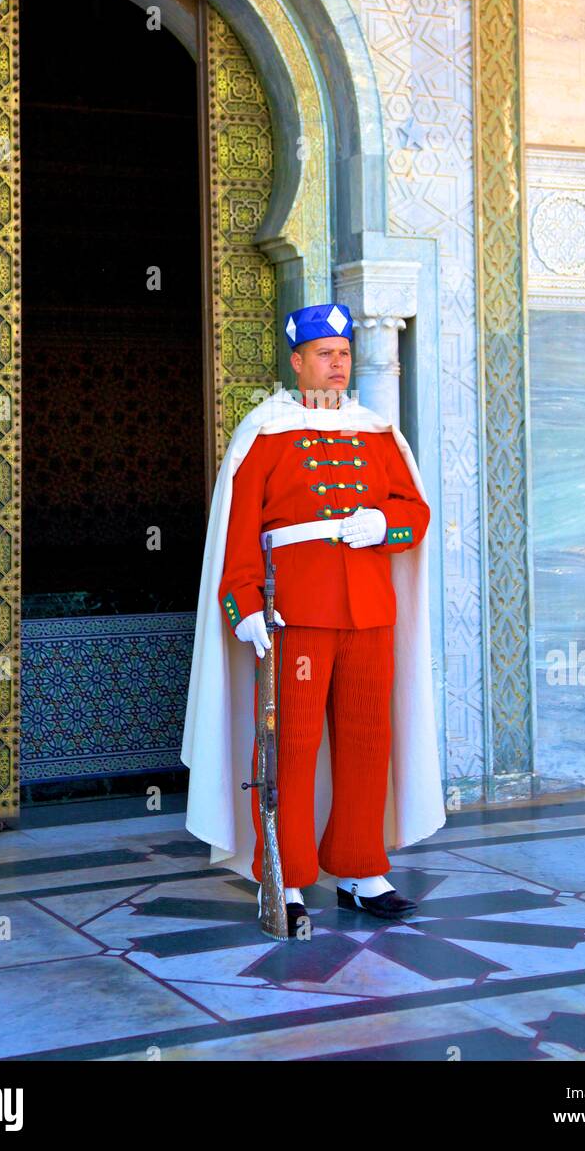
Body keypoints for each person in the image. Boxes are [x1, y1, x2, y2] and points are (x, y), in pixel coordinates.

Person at [181, 301, 445, 938]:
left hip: (369, 612)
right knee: (290, 749)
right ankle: (289, 875)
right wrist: (242, 608)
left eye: (345, 354)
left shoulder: (377, 432)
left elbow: (416, 510)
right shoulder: (265, 432)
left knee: (367, 740)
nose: (338, 365)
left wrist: (386, 523)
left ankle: (359, 868)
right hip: (295, 614)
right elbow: (239, 533)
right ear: (297, 363)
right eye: (325, 355)